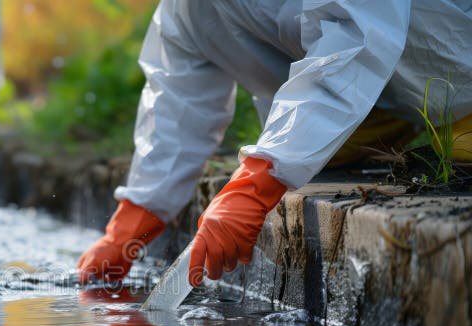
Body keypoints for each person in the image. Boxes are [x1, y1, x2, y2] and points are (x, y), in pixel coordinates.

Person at [78, 0, 472, 287]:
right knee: (327, 152)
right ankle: (374, 115)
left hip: (451, 60)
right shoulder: (186, 9)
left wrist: (257, 183)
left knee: (464, 146)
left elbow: (360, 33)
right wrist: (131, 222)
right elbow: (176, 98)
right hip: (370, 93)